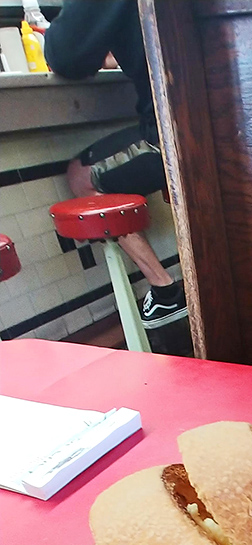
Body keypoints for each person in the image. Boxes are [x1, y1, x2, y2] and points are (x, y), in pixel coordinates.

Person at [44, 0, 187, 329]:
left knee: (82, 177)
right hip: (236, 120)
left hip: (175, 132)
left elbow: (67, 55)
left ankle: (165, 291)